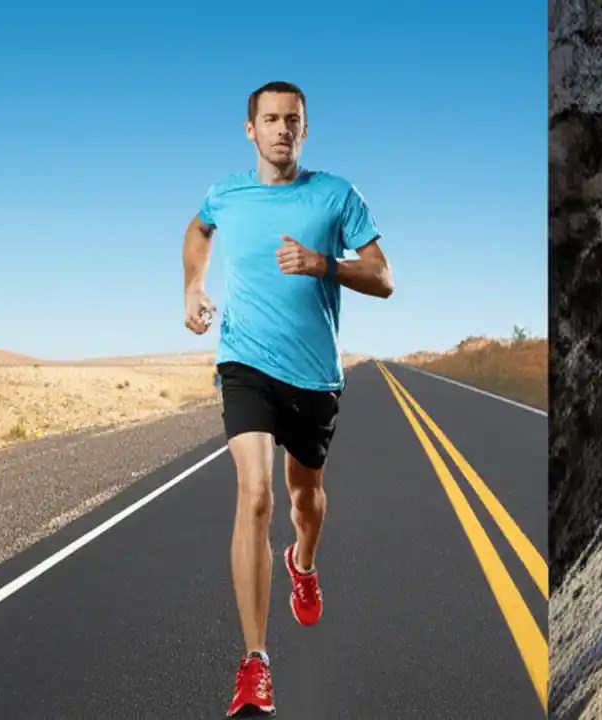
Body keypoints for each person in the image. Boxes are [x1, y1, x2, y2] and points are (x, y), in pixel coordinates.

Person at [182, 80, 394, 716]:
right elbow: (198, 229)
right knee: (256, 496)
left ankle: (302, 562)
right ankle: (255, 663)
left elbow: (383, 277)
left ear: (306, 129)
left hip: (315, 378)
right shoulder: (227, 192)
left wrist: (323, 264)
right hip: (245, 363)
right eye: (270, 119)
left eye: (292, 120)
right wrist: (192, 286)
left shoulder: (336, 195)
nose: (281, 129)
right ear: (250, 129)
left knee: (305, 500)